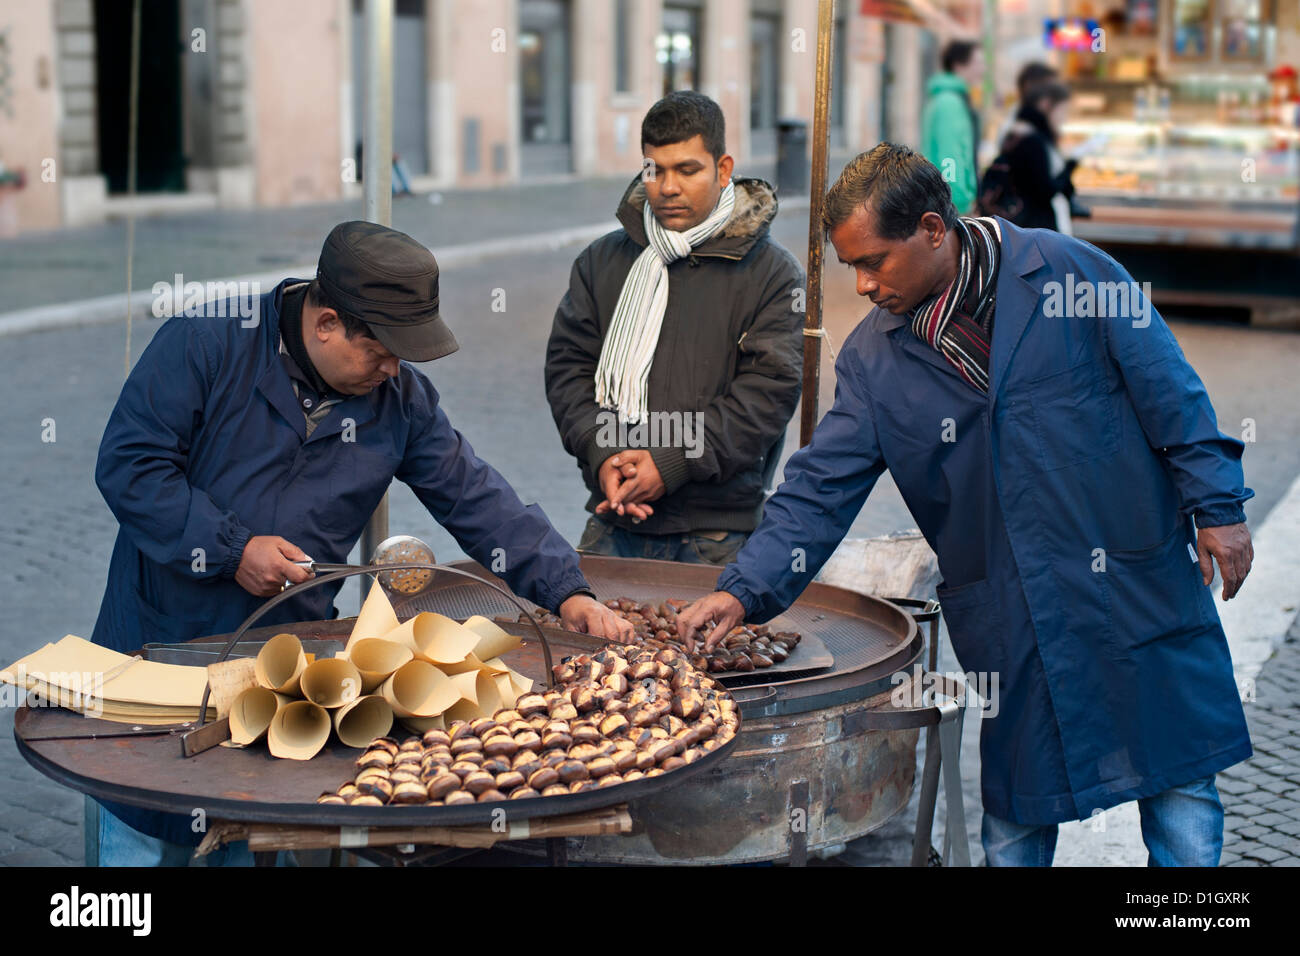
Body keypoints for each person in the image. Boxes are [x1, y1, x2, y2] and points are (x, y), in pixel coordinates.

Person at [677, 144, 1255, 867]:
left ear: (930, 228)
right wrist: (743, 591)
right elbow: (818, 489)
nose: (860, 286)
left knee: (1179, 786)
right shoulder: (873, 360)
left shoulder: (1070, 272)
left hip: (1132, 580)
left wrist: (1218, 509)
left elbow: (1170, 390)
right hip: (1015, 609)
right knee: (1015, 812)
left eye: (873, 261)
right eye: (847, 265)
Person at [91, 220, 631, 865]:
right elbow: (132, 467)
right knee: (143, 826)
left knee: (246, 824)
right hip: (166, 639)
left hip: (283, 654)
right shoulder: (205, 345)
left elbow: (475, 495)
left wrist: (566, 591)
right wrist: (233, 548)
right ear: (325, 324)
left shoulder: (397, 397)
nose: (392, 368)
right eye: (379, 350)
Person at [545, 91, 804, 567]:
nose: (667, 187)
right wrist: (604, 452)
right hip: (612, 518)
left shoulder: (772, 273)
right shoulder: (601, 261)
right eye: (654, 169)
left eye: (687, 170)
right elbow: (568, 371)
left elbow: (768, 395)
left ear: (723, 169)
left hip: (717, 533)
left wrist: (670, 462)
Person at [1003, 82, 1078, 233]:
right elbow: (1045, 191)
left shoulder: (1019, 131)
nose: (1063, 118)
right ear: (1045, 105)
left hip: (1021, 225)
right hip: (1035, 228)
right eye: (1062, 111)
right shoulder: (1033, 140)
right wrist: (1070, 166)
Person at [921, 39, 983, 215]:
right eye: (977, 63)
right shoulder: (949, 103)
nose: (982, 69)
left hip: (947, 203)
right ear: (958, 66)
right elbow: (950, 155)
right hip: (951, 206)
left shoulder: (951, 99)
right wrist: (959, 201)